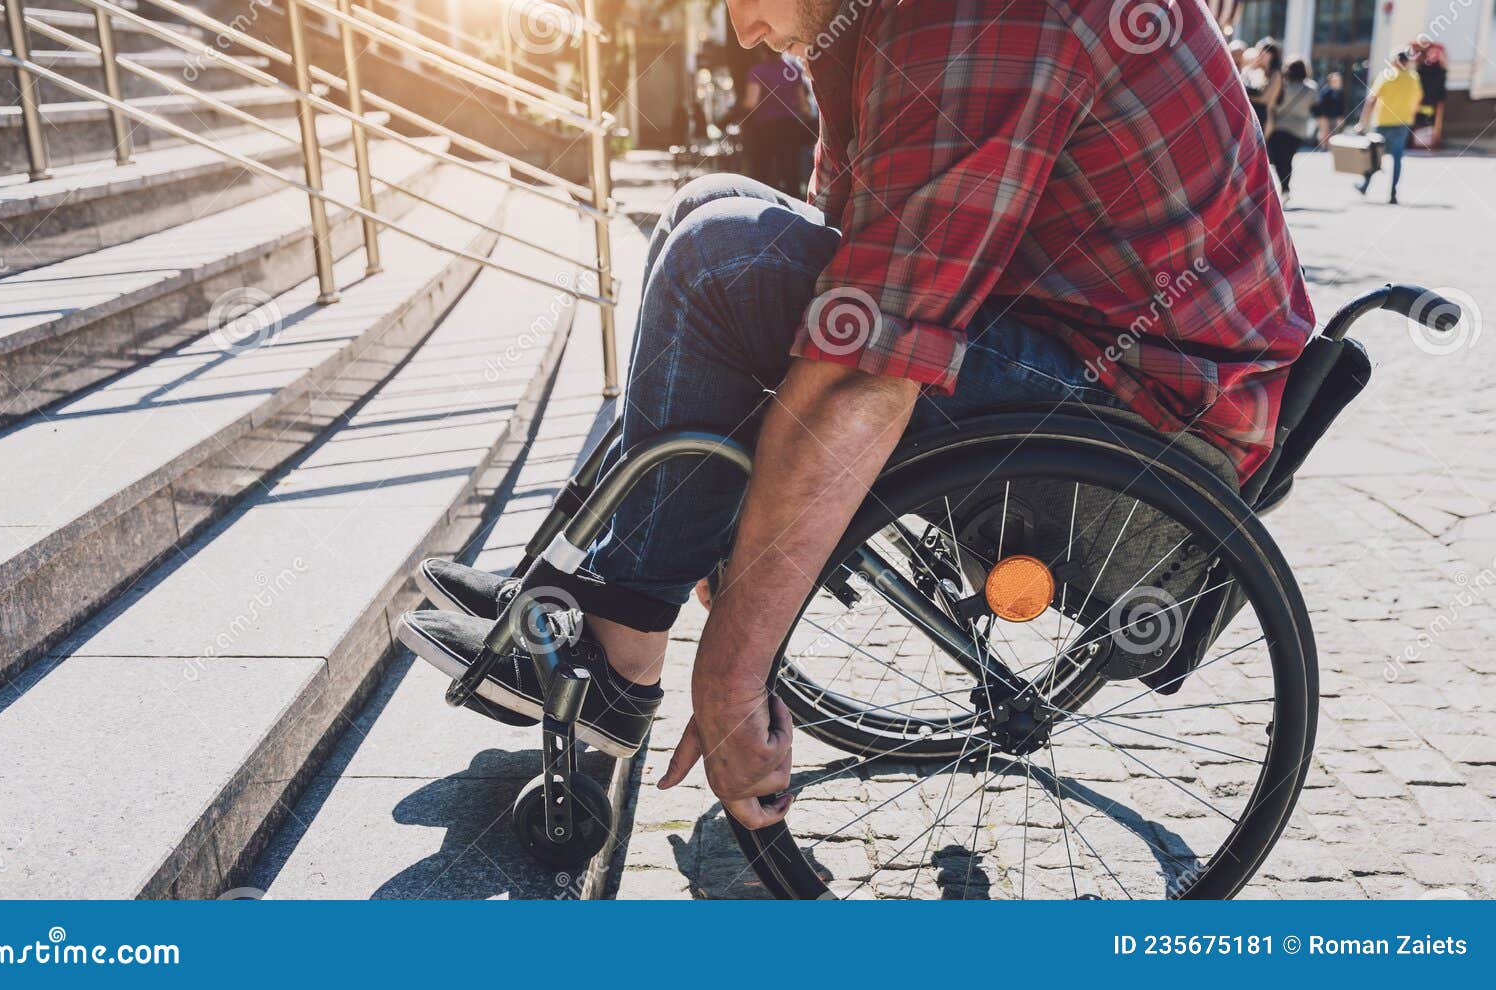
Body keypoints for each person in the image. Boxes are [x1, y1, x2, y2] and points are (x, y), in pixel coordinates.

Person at [399, 0, 1315, 830]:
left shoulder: (965, 16)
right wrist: (725, 506)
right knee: (708, 209)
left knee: (721, 263)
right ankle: (576, 587)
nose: (744, 32)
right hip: (1099, 350)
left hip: (1156, 420)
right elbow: (842, 255)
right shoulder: (879, 26)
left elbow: (862, 369)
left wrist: (730, 671)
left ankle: (622, 656)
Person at [734, 52, 813, 196]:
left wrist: (738, 114)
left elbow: (751, 102)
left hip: (766, 129)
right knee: (791, 173)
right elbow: (803, 106)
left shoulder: (757, 71)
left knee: (762, 172)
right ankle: (795, 211)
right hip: (790, 127)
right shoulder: (793, 69)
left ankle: (762, 207)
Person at [1356, 50, 1422, 204]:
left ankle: (1365, 185)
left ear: (1394, 61)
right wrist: (1410, 114)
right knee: (1397, 157)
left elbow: (1371, 99)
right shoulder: (1414, 78)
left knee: (1374, 156)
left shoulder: (1386, 75)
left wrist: (1363, 121)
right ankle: (1393, 193)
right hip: (1403, 122)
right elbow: (1418, 99)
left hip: (1383, 122)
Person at [1267, 58, 1318, 201]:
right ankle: (1286, 188)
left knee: (1278, 159)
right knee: (1288, 158)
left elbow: (1273, 105)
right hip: (1299, 129)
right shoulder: (1311, 88)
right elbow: (1316, 108)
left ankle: (1284, 188)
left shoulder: (1283, 85)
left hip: (1279, 126)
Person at [1243, 39, 1283, 128]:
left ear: (1271, 55)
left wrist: (1244, 96)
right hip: (1252, 114)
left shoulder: (1275, 75)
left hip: (1264, 117)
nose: (1259, 56)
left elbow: (1264, 99)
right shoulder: (1259, 71)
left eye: (1262, 53)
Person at [1314, 71, 1345, 149]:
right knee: (1325, 133)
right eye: (1335, 81)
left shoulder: (1338, 92)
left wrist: (1341, 117)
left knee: (1333, 133)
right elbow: (1320, 105)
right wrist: (1321, 117)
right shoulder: (1325, 91)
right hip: (1326, 117)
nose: (1337, 83)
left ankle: (1330, 148)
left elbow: (1341, 106)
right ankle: (1324, 148)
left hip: (1334, 117)